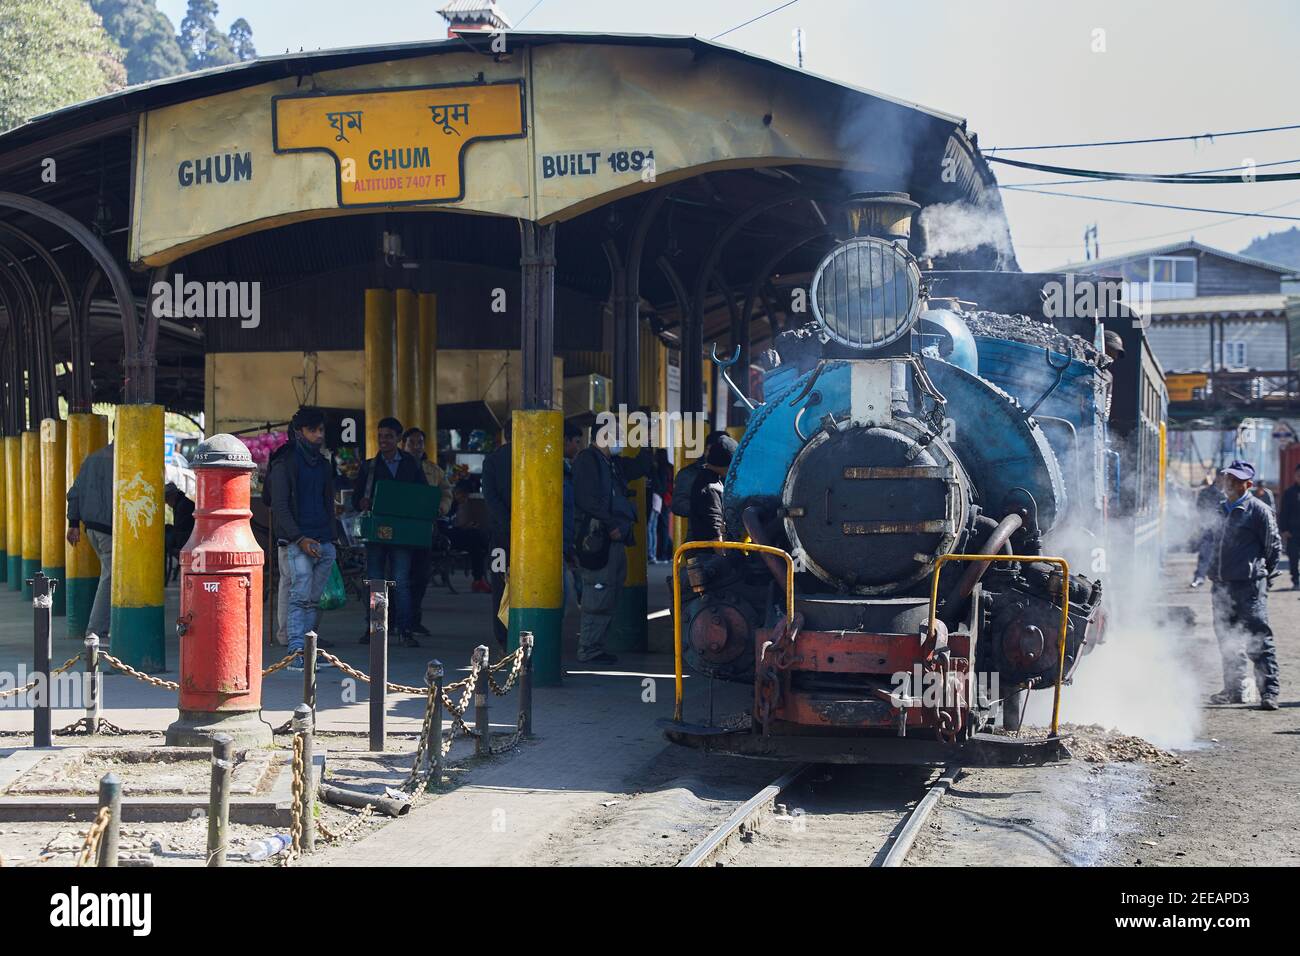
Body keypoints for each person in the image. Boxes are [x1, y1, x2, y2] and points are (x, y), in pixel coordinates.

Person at [571, 425, 652, 664]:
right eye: (616, 435)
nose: (620, 440)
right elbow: (586, 499)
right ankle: (588, 648)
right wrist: (609, 524)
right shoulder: (588, 461)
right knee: (598, 591)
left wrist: (647, 443)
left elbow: (640, 467)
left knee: (611, 590)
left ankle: (596, 646)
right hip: (598, 539)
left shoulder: (613, 463)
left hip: (615, 538)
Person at [268, 407, 340, 669]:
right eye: (313, 430)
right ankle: (296, 651)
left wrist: (331, 540)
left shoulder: (322, 464)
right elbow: (280, 507)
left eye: (321, 430)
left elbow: (327, 504)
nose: (319, 435)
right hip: (298, 543)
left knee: (312, 600)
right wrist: (300, 539)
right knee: (299, 598)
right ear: (300, 432)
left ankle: (307, 649)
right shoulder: (284, 463)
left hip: (323, 541)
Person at [1207, 459, 1282, 710]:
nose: (1229, 484)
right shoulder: (1220, 509)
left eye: (1235, 481)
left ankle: (1269, 691)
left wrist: (1262, 575)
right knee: (1227, 639)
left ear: (1247, 484)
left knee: (1258, 637)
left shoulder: (1259, 510)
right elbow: (1212, 543)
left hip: (1249, 585)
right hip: (1221, 585)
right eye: (1227, 479)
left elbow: (1273, 547)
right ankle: (1234, 689)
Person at [352, 416, 426, 648]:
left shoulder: (411, 464)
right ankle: (375, 628)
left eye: (389, 437)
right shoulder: (369, 467)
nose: (383, 441)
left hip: (402, 532)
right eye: (380, 436)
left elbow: (422, 494)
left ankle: (405, 629)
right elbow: (355, 498)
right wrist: (361, 502)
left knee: (402, 580)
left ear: (398, 439)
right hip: (377, 532)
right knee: (376, 580)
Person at [401, 426, 452, 637]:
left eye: (419, 442)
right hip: (401, 530)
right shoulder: (397, 466)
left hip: (425, 529)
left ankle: (414, 620)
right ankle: (397, 620)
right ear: (403, 444)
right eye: (411, 442)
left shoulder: (434, 470)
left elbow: (446, 492)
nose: (416, 446)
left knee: (421, 576)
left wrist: (442, 508)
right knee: (399, 577)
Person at [65, 443, 115, 641]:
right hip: (108, 528)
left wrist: (73, 523)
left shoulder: (92, 458)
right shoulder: (125, 458)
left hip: (92, 527)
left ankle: (104, 625)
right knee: (110, 576)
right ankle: (96, 630)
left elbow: (74, 492)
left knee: (109, 574)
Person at [480, 421, 511, 649]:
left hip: (501, 536)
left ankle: (504, 638)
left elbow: (490, 498)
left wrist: (508, 524)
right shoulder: (538, 457)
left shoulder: (492, 460)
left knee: (500, 587)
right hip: (533, 537)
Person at [688, 434, 735, 542]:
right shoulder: (711, 488)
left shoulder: (708, 480)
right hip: (708, 555)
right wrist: (723, 556)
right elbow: (715, 530)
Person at [445, 479, 491, 591]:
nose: (464, 500)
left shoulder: (455, 505)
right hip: (445, 538)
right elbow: (444, 527)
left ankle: (478, 579)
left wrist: (464, 527)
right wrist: (462, 529)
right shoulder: (447, 502)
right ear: (458, 492)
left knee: (477, 541)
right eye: (464, 497)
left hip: (452, 534)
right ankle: (478, 579)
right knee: (476, 538)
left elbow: (452, 525)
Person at [562, 421, 584, 604]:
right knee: (560, 594)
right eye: (576, 442)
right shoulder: (558, 471)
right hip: (559, 540)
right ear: (565, 441)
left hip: (567, 540)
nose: (578, 447)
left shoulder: (569, 470)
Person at [1191, 475, 1226, 588]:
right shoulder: (1206, 492)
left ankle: (1221, 579)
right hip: (1208, 527)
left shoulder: (1228, 493)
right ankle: (1200, 576)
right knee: (1205, 552)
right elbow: (1199, 507)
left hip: (1224, 528)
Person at [1280, 464, 1300, 589]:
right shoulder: (1289, 492)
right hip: (1293, 531)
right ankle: (1296, 580)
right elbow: (1284, 512)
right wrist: (1284, 529)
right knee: (1293, 557)